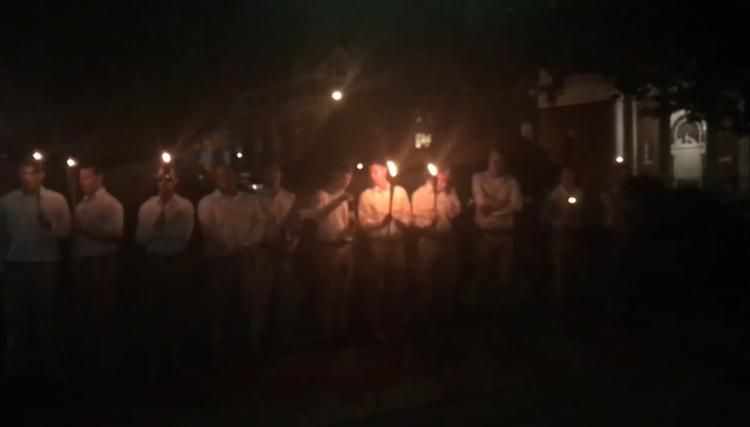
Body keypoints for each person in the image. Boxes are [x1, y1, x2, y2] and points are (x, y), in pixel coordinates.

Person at [0, 158, 71, 378]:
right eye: (22, 173)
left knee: (44, 315)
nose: (25, 177)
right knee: (16, 317)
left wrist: (50, 226)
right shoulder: (7, 201)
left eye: (30, 173)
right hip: (16, 264)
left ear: (41, 175)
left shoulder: (56, 200)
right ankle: (16, 367)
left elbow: (66, 232)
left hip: (45, 264)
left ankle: (47, 366)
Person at [135, 166, 194, 377]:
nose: (164, 183)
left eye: (168, 179)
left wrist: (162, 231)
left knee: (175, 310)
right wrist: (156, 229)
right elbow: (141, 238)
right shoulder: (147, 207)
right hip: (154, 262)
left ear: (176, 181)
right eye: (160, 179)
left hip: (175, 262)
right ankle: (155, 361)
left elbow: (183, 236)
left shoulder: (185, 206)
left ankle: (176, 359)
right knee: (153, 311)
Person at [197, 164, 262, 356]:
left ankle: (246, 344)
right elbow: (209, 230)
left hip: (245, 258)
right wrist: (233, 247)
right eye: (219, 176)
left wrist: (248, 245)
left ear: (235, 176)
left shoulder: (251, 200)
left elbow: (259, 223)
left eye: (227, 175)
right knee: (219, 304)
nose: (223, 179)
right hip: (219, 260)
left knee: (246, 301)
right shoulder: (207, 202)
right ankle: (218, 346)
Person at [70, 162, 124, 376]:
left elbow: (115, 236)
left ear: (100, 179)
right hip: (82, 261)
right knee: (84, 310)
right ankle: (87, 356)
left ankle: (104, 357)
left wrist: (84, 230)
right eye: (81, 178)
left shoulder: (111, 204)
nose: (83, 182)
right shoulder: (80, 204)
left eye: (88, 178)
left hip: (101, 262)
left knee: (102, 310)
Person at [358, 160, 411, 340]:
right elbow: (364, 224)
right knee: (376, 284)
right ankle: (374, 325)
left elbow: (408, 215)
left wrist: (400, 223)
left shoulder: (400, 192)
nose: (372, 175)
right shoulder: (366, 196)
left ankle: (395, 323)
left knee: (397, 283)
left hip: (397, 244)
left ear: (385, 172)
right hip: (378, 246)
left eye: (375, 171)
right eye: (370, 172)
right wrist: (381, 223)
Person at [301, 164, 355, 343]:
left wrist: (349, 230)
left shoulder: (344, 198)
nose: (346, 182)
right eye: (343, 177)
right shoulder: (321, 195)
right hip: (326, 248)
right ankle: (323, 332)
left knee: (343, 292)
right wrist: (338, 201)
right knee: (326, 292)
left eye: (349, 178)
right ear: (334, 176)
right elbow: (317, 216)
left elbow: (344, 222)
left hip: (344, 248)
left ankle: (340, 330)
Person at [411, 165, 461, 331]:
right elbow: (415, 220)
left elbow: (455, 213)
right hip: (428, 241)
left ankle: (445, 315)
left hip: (446, 241)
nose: (445, 182)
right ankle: (424, 315)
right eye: (442, 178)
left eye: (447, 179)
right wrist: (427, 223)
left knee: (447, 277)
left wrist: (451, 200)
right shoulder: (419, 194)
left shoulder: (449, 193)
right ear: (433, 177)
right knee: (425, 277)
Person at [253, 164, 296, 356]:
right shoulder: (255, 198)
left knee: (283, 294)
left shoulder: (289, 198)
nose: (273, 176)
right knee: (262, 295)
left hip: (283, 251)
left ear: (281, 175)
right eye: (269, 172)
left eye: (276, 172)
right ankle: (259, 338)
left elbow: (295, 224)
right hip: (263, 250)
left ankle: (281, 337)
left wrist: (294, 241)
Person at [471, 148, 523, 305]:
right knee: (482, 272)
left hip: (506, 234)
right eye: (494, 161)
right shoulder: (478, 178)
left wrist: (492, 205)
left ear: (504, 163)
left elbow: (518, 205)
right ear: (489, 161)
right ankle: (480, 306)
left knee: (504, 275)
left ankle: (501, 307)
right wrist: (504, 204)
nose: (497, 164)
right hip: (485, 234)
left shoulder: (512, 182)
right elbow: (483, 206)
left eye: (500, 161)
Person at [541, 166, 584, 307]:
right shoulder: (555, 194)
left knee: (572, 264)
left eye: (570, 176)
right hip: (559, 234)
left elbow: (580, 212)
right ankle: (557, 299)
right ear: (561, 177)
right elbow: (546, 214)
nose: (568, 179)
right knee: (558, 265)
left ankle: (572, 298)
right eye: (565, 176)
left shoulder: (578, 192)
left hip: (573, 233)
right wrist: (556, 221)